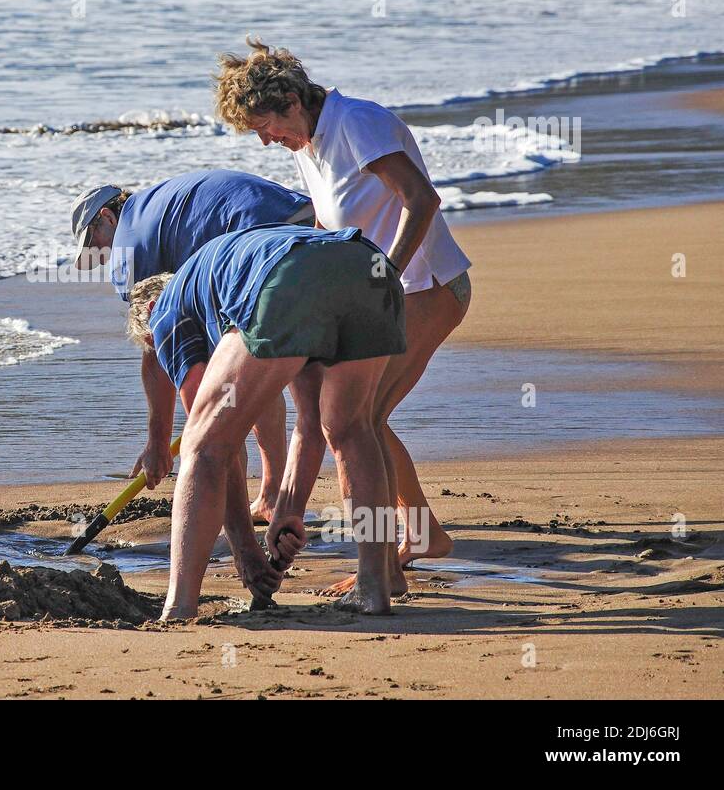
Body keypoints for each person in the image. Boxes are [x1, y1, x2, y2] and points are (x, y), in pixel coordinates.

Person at [215, 37, 472, 589]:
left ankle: (384, 567)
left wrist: (384, 277)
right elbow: (329, 230)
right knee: (360, 423)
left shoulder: (357, 122)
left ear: (290, 97)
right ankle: (418, 535)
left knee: (352, 425)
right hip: (382, 297)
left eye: (266, 125)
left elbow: (421, 199)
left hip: (426, 288)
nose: (266, 140)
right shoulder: (310, 144)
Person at [127, 224, 406, 617]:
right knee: (349, 428)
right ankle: (373, 588)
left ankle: (180, 606)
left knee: (200, 445)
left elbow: (215, 450)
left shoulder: (166, 310)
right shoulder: (219, 278)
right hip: (369, 267)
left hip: (288, 275)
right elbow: (309, 426)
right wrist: (287, 511)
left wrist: (245, 552)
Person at [70, 169, 315, 522]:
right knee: (259, 365)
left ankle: (246, 507)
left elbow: (155, 343)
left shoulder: (130, 242)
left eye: (97, 245)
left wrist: (157, 443)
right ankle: (272, 494)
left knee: (234, 378)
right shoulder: (156, 208)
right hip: (308, 226)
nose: (104, 257)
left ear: (107, 217)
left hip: (260, 243)